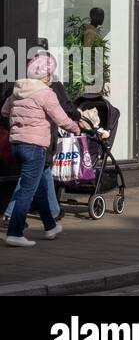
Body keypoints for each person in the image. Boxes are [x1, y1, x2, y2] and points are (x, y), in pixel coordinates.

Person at [2, 54, 83, 247]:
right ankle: (14, 233)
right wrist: (77, 128)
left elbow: (5, 112)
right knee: (28, 192)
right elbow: (61, 119)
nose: (50, 78)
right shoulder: (46, 93)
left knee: (40, 187)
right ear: (45, 76)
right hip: (35, 146)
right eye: (49, 75)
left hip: (17, 145)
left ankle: (50, 225)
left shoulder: (18, 90)